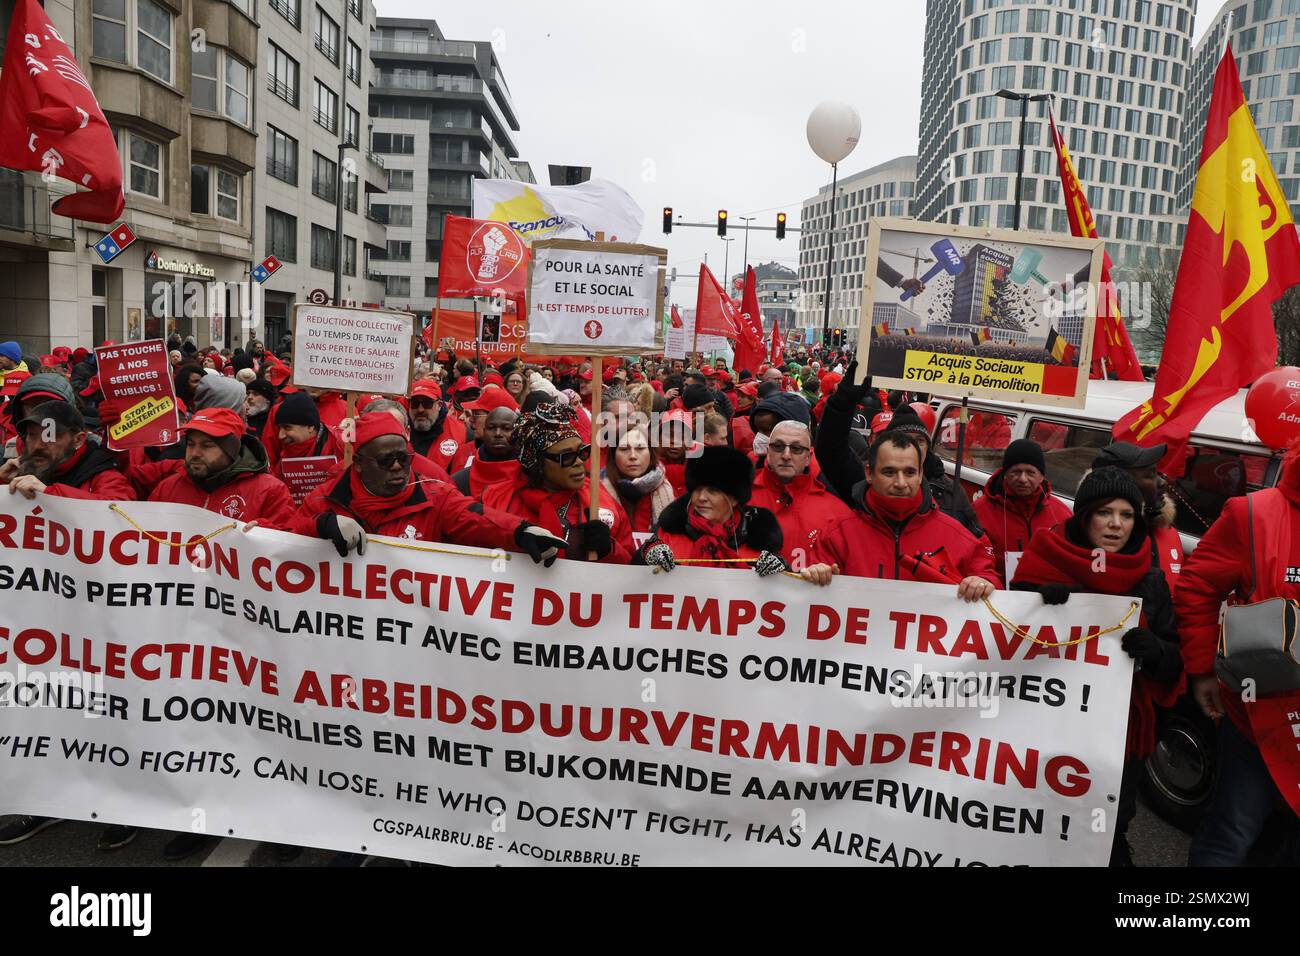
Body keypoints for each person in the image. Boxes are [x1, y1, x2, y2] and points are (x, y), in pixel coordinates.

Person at [1010, 467, 1183, 866]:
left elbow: (1175, 659)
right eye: (1105, 513)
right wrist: (1035, 601)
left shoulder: (1151, 580)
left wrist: (1156, 650)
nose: (1116, 525)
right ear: (1085, 516)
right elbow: (1005, 644)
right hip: (1045, 728)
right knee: (1039, 820)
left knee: (1106, 829)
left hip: (1119, 735)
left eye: (1126, 515)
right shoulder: (1043, 558)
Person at [1173, 444, 1300, 867]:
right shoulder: (1252, 513)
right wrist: (1203, 669)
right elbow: (1197, 587)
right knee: (1232, 831)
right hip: (1259, 711)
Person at [293, 412, 566, 565]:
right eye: (386, 461)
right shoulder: (324, 500)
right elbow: (280, 540)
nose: (399, 467)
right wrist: (320, 526)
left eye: (405, 458)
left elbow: (475, 518)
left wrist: (521, 531)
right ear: (360, 464)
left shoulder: (435, 494)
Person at [802, 432, 1000, 600]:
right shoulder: (837, 535)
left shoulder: (957, 535)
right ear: (869, 473)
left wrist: (984, 582)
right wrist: (816, 574)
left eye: (909, 472)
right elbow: (809, 595)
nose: (900, 482)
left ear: (921, 473)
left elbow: (990, 580)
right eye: (889, 472)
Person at [479, 401, 634, 564]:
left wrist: (609, 550)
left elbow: (629, 567)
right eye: (566, 457)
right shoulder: (495, 500)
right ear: (537, 464)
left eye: (582, 452)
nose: (579, 462)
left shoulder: (600, 499)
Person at [636, 445, 787, 575]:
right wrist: (645, 555)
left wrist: (780, 572)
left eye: (713, 491)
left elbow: (787, 595)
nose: (701, 497)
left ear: (734, 499)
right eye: (697, 489)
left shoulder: (759, 544)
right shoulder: (668, 535)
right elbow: (630, 581)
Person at [149, 407, 296, 528]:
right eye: (191, 444)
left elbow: (290, 548)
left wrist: (266, 532)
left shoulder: (270, 491)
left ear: (230, 450)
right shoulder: (168, 488)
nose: (194, 453)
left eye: (207, 446)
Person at [748, 420, 851, 567]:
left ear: (808, 457)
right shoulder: (738, 498)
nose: (786, 455)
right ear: (768, 451)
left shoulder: (837, 512)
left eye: (796, 448)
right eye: (778, 446)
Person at [972, 438, 1072, 579]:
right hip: (997, 595)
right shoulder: (980, 511)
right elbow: (972, 559)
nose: (1022, 479)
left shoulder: (1061, 513)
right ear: (1005, 474)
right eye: (1016, 471)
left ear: (1042, 476)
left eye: (1030, 472)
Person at [1091, 441, 1183, 592]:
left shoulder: (1169, 534)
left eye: (1158, 473)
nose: (1162, 482)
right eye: (1150, 475)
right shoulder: (1095, 536)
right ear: (1122, 483)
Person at [1, 401, 134, 501]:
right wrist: (3, 484)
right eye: (32, 435)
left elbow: (121, 512)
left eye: (50, 436)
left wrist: (50, 494)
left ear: (78, 440)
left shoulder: (103, 476)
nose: (37, 446)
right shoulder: (21, 471)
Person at [601, 425, 674, 541]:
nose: (633, 456)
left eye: (640, 449)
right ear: (613, 455)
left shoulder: (666, 491)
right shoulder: (598, 491)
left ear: (651, 453)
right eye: (624, 449)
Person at [269, 392, 344, 482]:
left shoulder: (340, 448)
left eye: (287, 427)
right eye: (279, 428)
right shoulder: (284, 458)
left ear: (310, 427)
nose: (280, 436)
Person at [452, 406, 519, 498]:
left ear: (519, 432)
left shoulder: (532, 478)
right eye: (491, 428)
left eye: (506, 428)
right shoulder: (459, 481)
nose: (498, 434)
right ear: (484, 431)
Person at [408, 379, 470, 473]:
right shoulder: (399, 430)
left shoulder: (462, 433)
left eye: (427, 403)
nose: (420, 409)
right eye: (415, 404)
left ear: (440, 405)